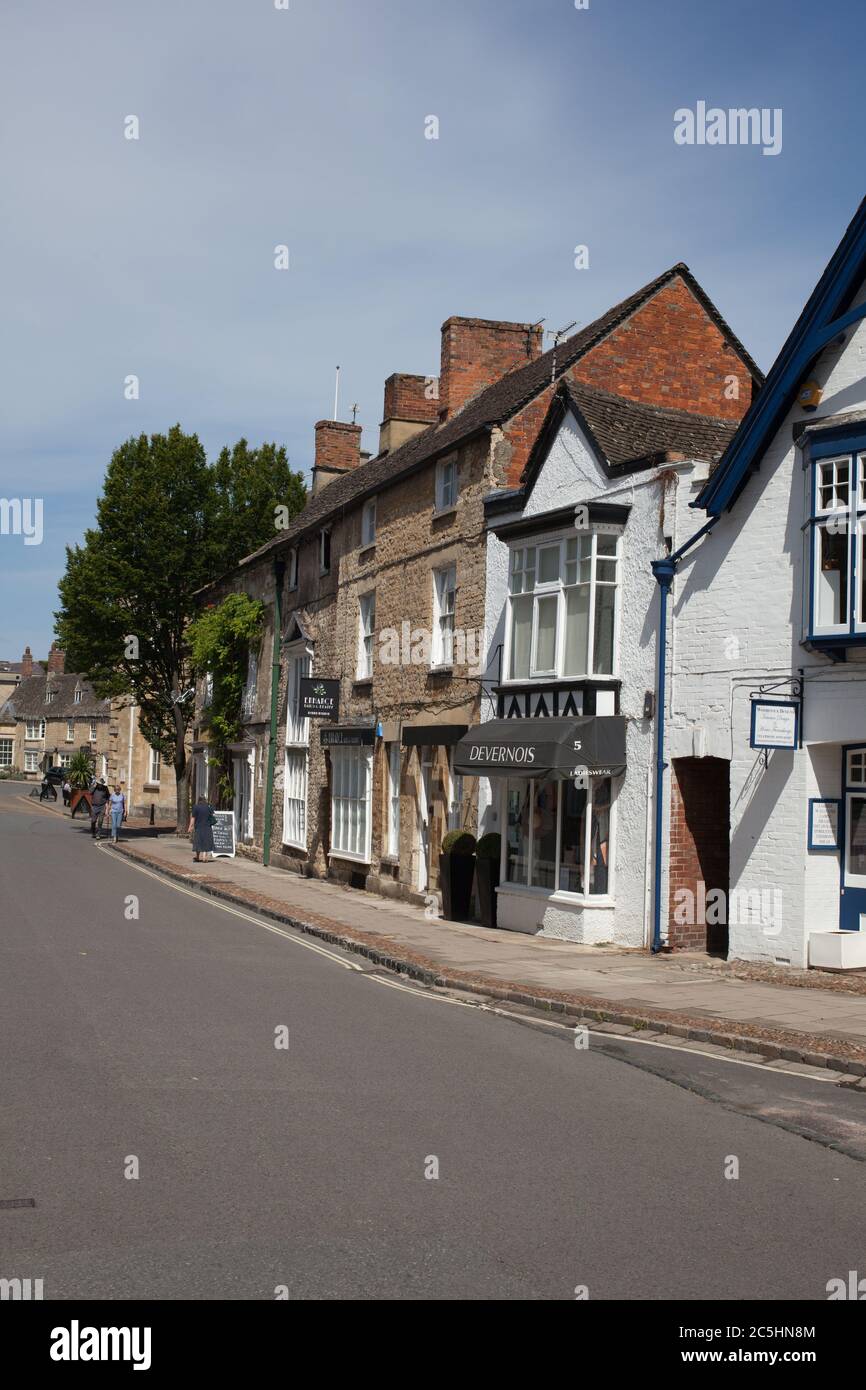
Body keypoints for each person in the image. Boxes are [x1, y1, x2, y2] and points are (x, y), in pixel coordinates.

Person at [188, 795, 216, 862]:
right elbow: (213, 816)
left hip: (199, 827)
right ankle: (204, 856)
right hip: (207, 827)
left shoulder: (196, 807)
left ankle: (197, 857)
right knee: (206, 841)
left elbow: (193, 818)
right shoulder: (209, 807)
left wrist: (190, 827)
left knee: (198, 841)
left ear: (199, 800)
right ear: (205, 800)